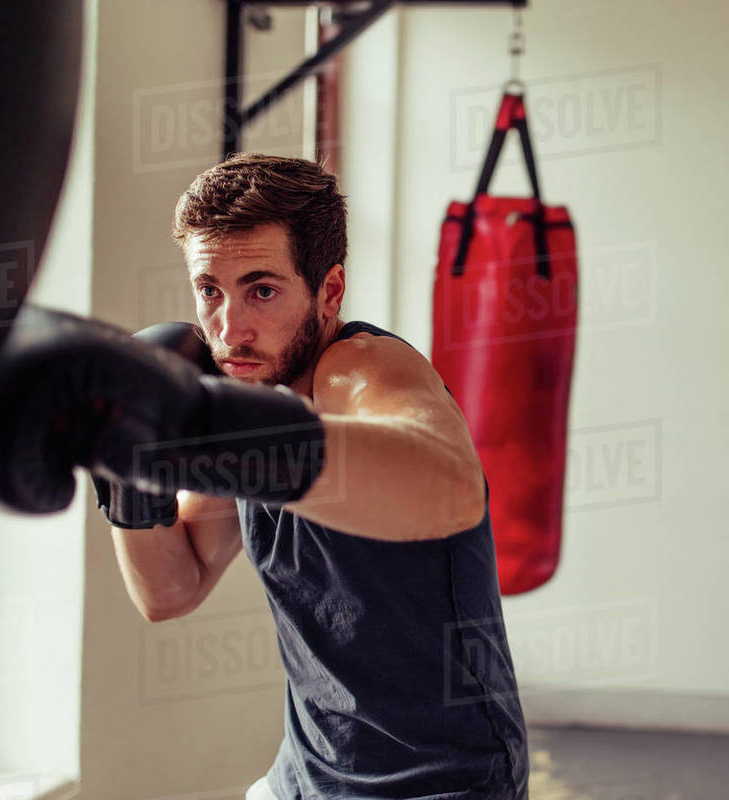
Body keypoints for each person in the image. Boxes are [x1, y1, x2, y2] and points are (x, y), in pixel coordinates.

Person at [99, 153, 529, 800]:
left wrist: (212, 428)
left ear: (329, 291)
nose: (229, 328)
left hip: (442, 781)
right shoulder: (246, 393)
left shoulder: (363, 369)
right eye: (210, 289)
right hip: (306, 771)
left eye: (262, 290)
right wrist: (129, 474)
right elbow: (170, 590)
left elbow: (452, 484)